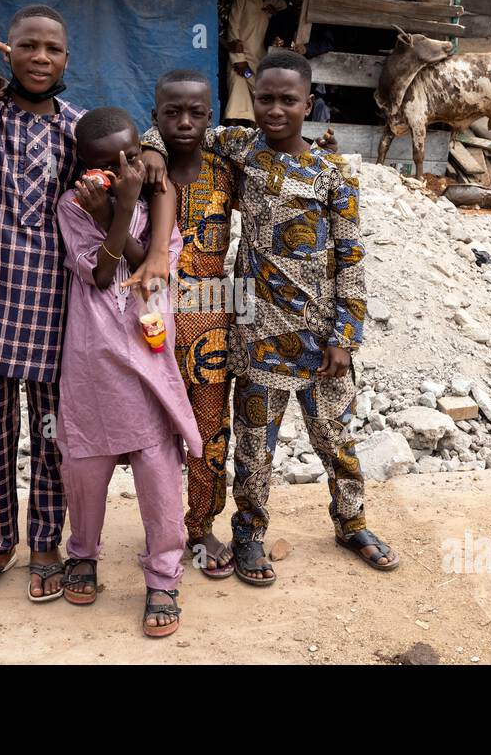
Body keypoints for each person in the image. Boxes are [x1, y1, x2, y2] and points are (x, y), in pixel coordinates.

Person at [0, 6, 175, 604]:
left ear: (67, 58)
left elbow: (146, 164)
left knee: (55, 438)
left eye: (52, 49)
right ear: (7, 51)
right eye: (28, 46)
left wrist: (155, 173)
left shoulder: (79, 127)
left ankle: (45, 544)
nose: (39, 58)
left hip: (57, 311)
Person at [141, 51, 400, 587]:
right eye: (265, 99)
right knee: (254, 448)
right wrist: (148, 148)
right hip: (256, 334)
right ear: (251, 100)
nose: (275, 109)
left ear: (309, 104)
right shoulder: (238, 148)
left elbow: (351, 258)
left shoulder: (333, 175)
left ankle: (352, 523)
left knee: (336, 440)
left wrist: (345, 337)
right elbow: (174, 125)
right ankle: (249, 533)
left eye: (288, 100)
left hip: (319, 337)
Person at [55, 107, 200, 637]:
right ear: (84, 167)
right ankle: (83, 554)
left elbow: (147, 267)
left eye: (133, 157)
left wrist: (123, 208)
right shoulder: (72, 207)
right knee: (85, 469)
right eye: (109, 164)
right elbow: (97, 275)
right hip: (92, 363)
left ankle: (163, 576)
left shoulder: (157, 206)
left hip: (147, 361)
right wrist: (108, 213)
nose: (125, 169)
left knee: (159, 473)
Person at [150, 69, 238, 578]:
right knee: (153, 436)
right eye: (171, 113)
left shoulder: (227, 171)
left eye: (196, 113)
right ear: (155, 113)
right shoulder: (141, 169)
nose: (184, 123)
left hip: (211, 320)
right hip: (148, 319)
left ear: (211, 115)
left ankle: (201, 526)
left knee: (209, 432)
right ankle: (162, 527)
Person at [222, 0, 286, 125]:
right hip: (240, 65)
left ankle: (257, 148)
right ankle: (230, 145)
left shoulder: (278, 4)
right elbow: (233, 28)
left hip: (262, 65)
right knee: (236, 110)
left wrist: (276, 13)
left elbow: (286, 25)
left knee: (260, 107)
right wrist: (239, 60)